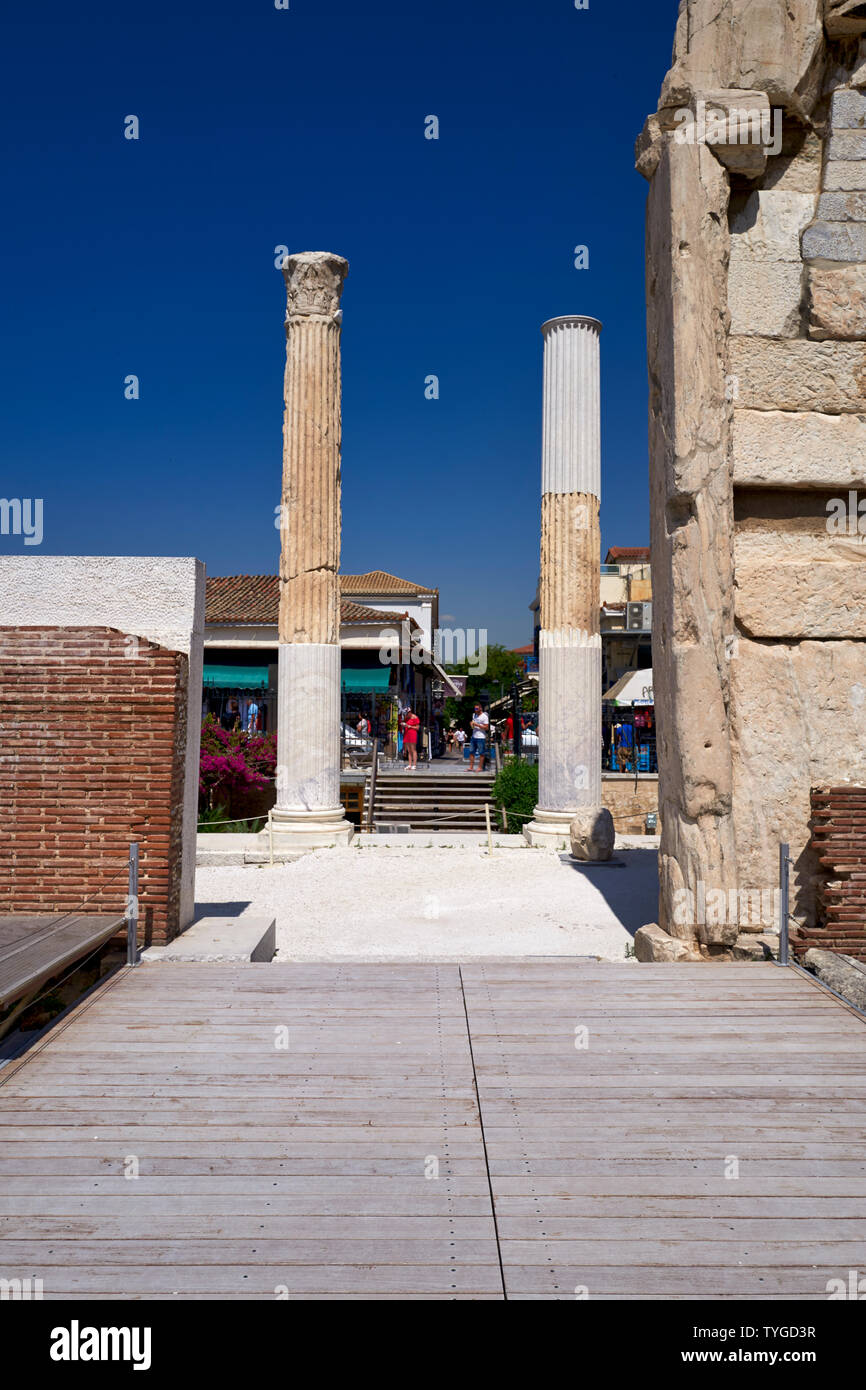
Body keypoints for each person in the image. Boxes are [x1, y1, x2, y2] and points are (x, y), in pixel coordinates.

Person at [468, 703, 489, 772]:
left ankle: (480, 767)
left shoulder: (484, 716)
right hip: (474, 736)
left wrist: (477, 725)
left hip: (481, 737)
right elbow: (473, 725)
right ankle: (471, 767)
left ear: (480, 708)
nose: (475, 710)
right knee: (471, 752)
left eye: (477, 708)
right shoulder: (474, 715)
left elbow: (486, 727)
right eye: (475, 708)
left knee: (481, 753)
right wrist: (471, 724)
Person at [402, 706, 420, 771]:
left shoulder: (415, 717)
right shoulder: (406, 717)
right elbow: (404, 723)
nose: (406, 715)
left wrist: (410, 726)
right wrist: (403, 724)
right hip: (407, 734)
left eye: (407, 713)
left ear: (410, 712)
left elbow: (417, 728)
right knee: (409, 750)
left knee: (413, 749)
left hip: (412, 734)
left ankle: (414, 765)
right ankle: (410, 764)